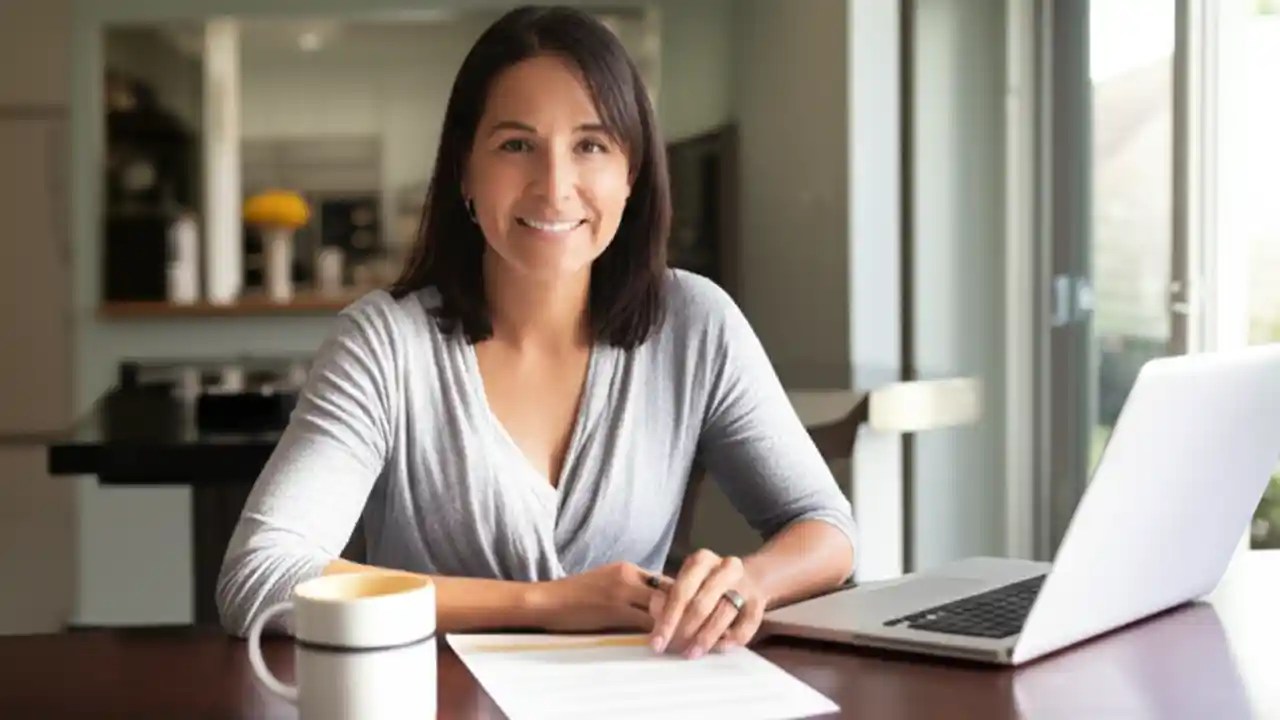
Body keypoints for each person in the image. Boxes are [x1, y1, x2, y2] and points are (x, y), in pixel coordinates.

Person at [217, 5, 856, 660]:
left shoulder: (696, 324)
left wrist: (745, 583)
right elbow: (259, 575)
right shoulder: (383, 345)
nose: (554, 188)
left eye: (591, 145)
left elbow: (827, 530)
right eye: (516, 145)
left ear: (630, 173)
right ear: (464, 171)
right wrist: (547, 605)